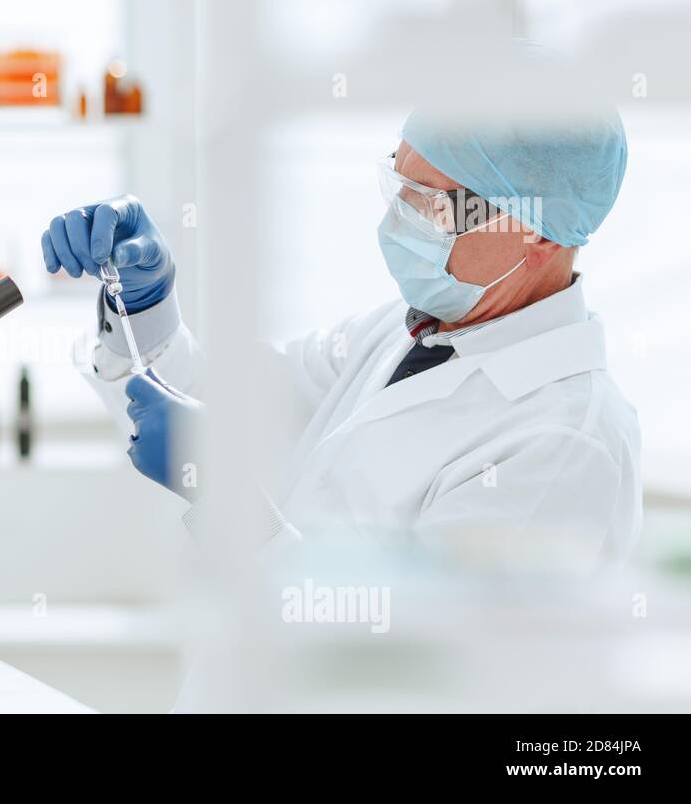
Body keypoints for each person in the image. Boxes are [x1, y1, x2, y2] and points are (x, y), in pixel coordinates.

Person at [42, 102, 637, 573]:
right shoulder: (406, 333)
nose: (395, 219)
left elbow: (407, 671)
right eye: (399, 183)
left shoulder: (564, 446)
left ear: (539, 232)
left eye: (432, 205)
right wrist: (144, 305)